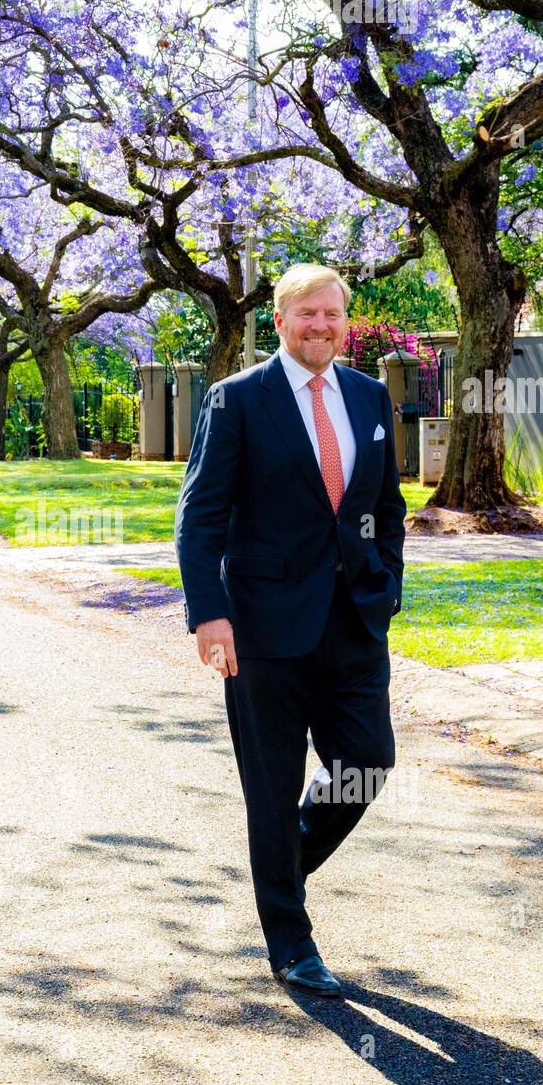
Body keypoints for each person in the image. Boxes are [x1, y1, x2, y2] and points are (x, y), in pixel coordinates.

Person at [174, 263, 406, 998]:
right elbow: (200, 515)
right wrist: (209, 614)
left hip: (355, 622)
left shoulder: (369, 396)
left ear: (346, 321)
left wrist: (386, 584)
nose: (320, 327)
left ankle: (279, 868)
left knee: (367, 761)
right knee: (272, 788)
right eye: (306, 315)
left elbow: (388, 508)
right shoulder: (238, 400)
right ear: (279, 321)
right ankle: (291, 941)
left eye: (332, 315)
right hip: (263, 627)